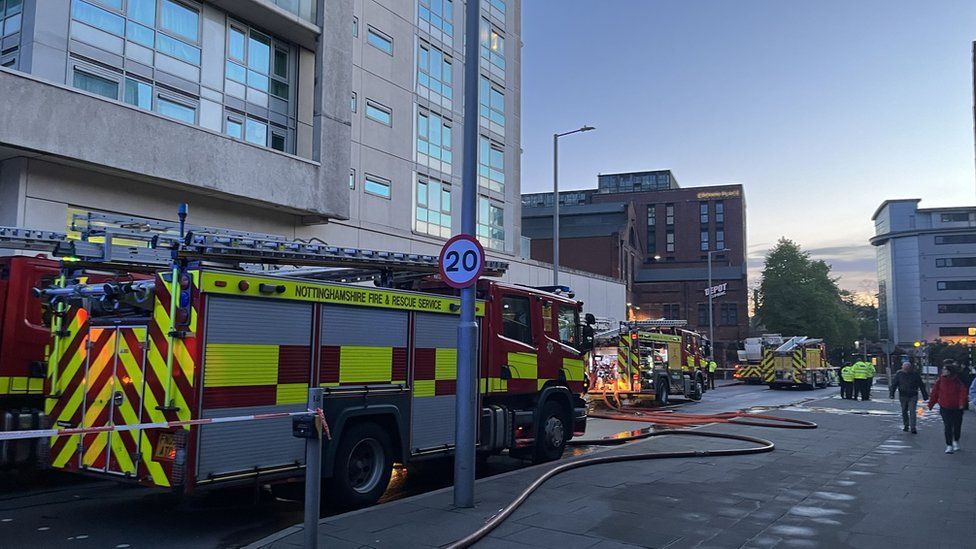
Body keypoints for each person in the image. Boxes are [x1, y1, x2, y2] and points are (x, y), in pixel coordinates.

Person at [927, 361, 969, 454]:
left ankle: (956, 440)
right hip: (945, 407)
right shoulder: (940, 380)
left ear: (950, 371)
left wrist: (962, 403)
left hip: (957, 407)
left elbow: (963, 392)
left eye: (945, 369)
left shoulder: (958, 381)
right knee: (948, 426)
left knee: (957, 425)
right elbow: (935, 393)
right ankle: (949, 445)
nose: (943, 371)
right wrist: (931, 404)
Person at [889, 362, 928, 433]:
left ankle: (913, 427)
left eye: (907, 369)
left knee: (912, 411)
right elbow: (894, 384)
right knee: (904, 411)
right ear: (902, 368)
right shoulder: (899, 374)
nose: (906, 370)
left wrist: (925, 395)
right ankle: (906, 425)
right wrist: (892, 394)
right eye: (905, 368)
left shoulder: (915, 374)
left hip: (913, 395)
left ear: (910, 368)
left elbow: (921, 385)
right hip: (903, 395)